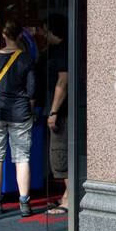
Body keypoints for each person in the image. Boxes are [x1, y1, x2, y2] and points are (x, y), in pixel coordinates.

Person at [0, 20, 36, 217]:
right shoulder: (26, 59)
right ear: (20, 36)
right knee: (22, 158)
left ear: (3, 36)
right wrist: (29, 111)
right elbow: (31, 91)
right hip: (20, 113)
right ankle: (24, 203)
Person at [44, 15, 71, 216]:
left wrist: (53, 111)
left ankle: (69, 199)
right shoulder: (63, 49)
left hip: (63, 113)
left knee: (61, 153)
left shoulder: (61, 52)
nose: (44, 35)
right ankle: (66, 196)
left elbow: (63, 82)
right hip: (64, 111)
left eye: (46, 31)